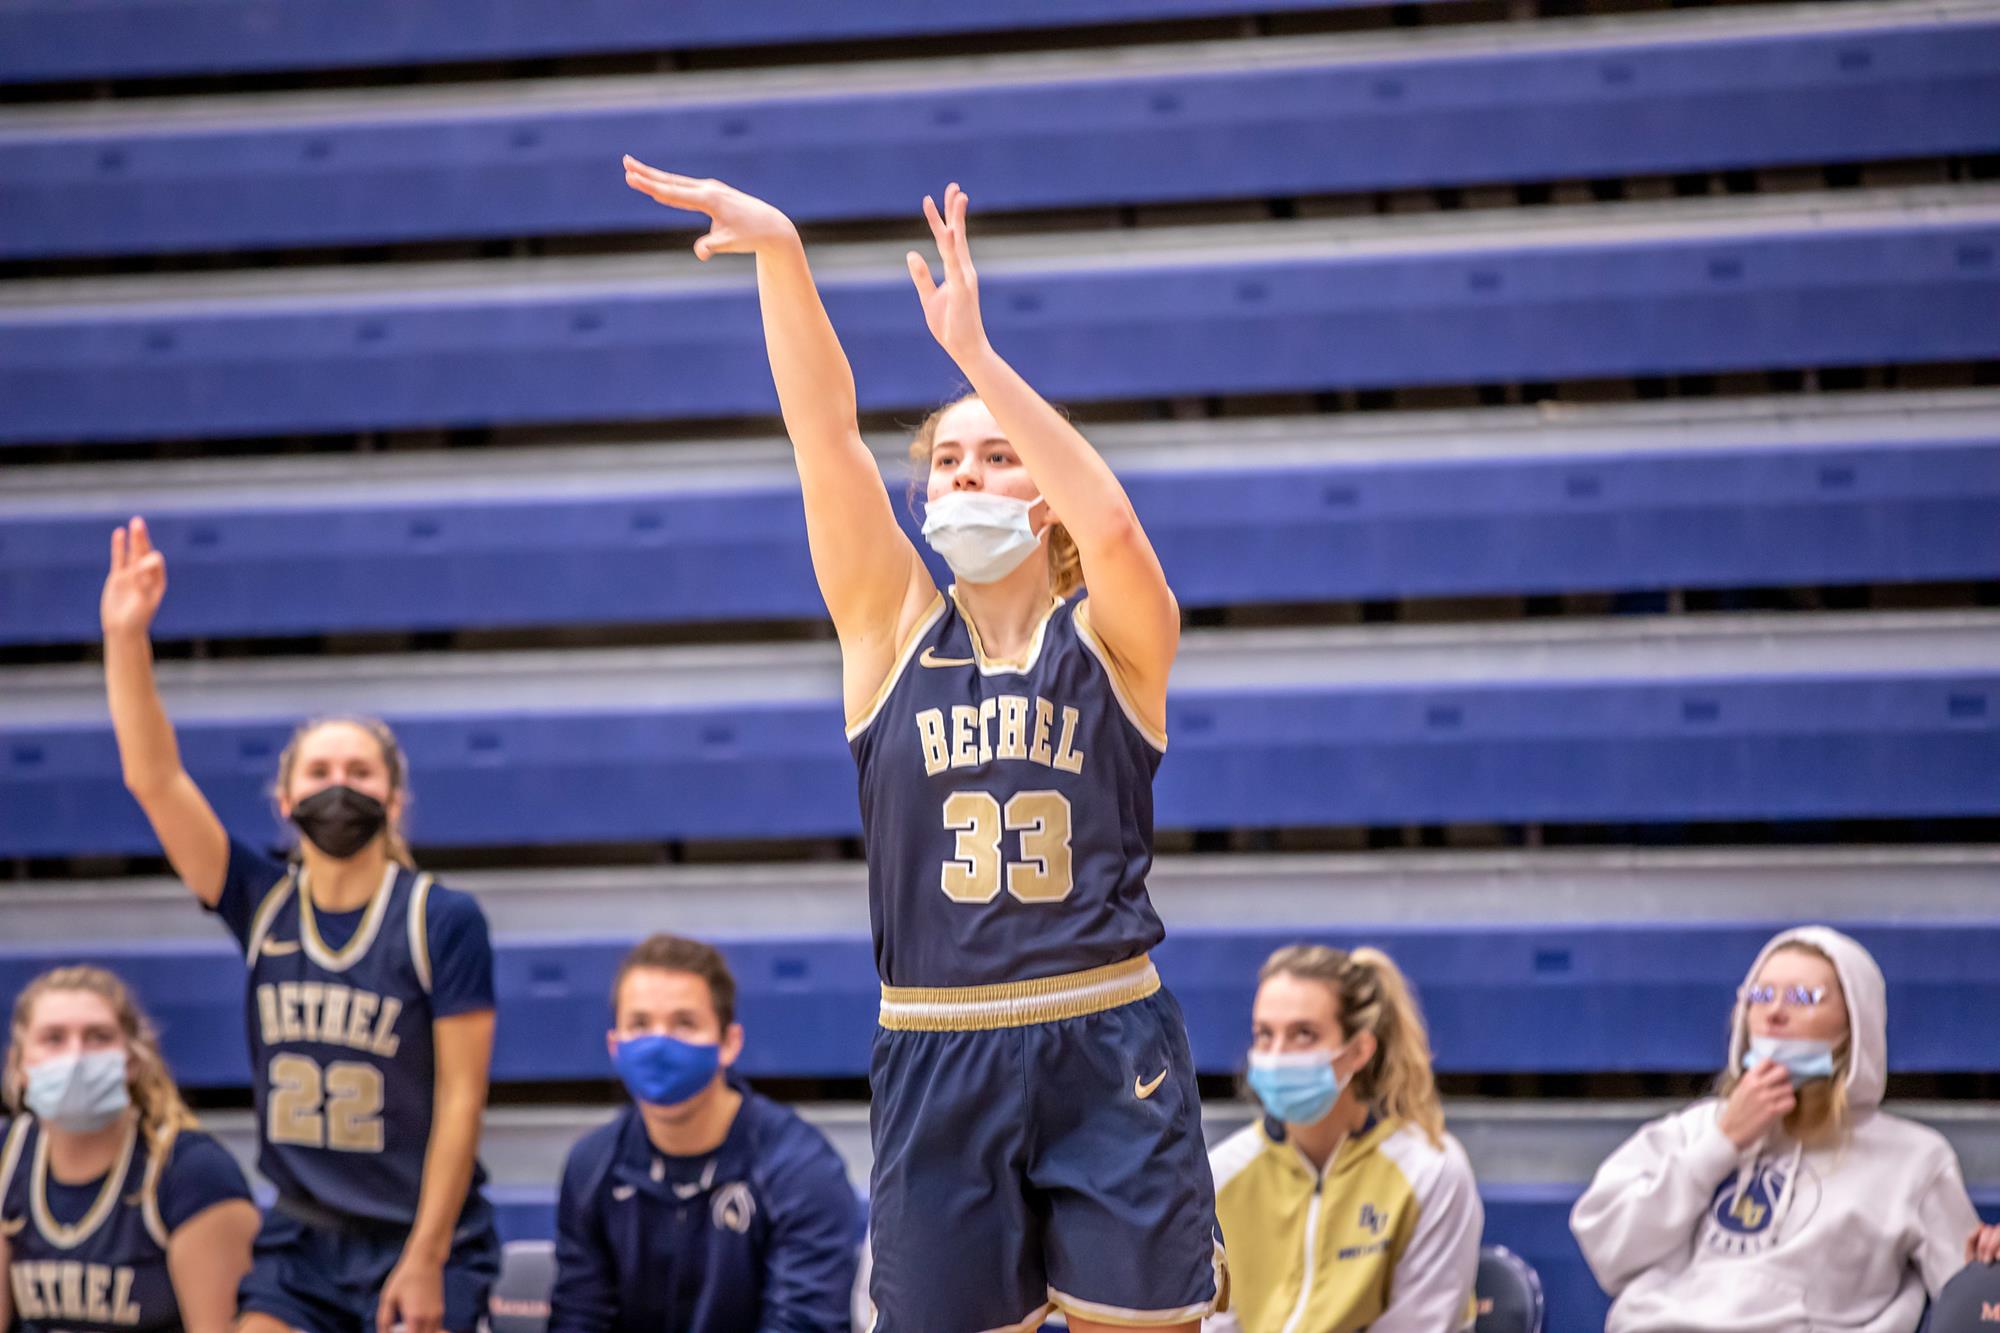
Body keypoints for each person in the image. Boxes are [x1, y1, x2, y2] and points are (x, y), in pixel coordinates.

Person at [620, 159, 1221, 1332]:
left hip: (1106, 1037)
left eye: (995, 456)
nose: (963, 473)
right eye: (947, 457)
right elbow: (822, 434)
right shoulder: (890, 629)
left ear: (1038, 493)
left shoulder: (1114, 640)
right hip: (935, 1043)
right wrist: (784, 258)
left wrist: (977, 361)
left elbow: (1109, 519)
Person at [98, 517, 500, 1333]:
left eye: (360, 771)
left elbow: (462, 1098)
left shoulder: (440, 917)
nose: (339, 784)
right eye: (319, 770)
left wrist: (424, 1256)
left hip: (424, 1233)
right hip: (303, 1237)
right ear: (284, 800)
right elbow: (153, 776)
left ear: (394, 798)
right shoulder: (260, 898)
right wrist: (125, 639)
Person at [1571, 925, 1984, 1330]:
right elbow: (1609, 1250)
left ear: (1854, 1025)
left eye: (1803, 997)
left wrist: (1991, 1259)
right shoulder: (1694, 1129)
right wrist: (1720, 1145)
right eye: (1760, 995)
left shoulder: (1914, 1159)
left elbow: (1976, 1299)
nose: (1774, 1012)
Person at [549, 934, 859, 1333]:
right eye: (640, 1024)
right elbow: (579, 1319)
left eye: (684, 1024)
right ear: (614, 1045)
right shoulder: (591, 1166)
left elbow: (803, 1324)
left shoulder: (801, 1170)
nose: (659, 1043)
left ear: (729, 1043)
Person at [1204, 945, 1481, 1333]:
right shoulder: (1221, 1175)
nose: (1278, 1055)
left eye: (1303, 1034)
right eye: (1265, 1035)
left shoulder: (1430, 1172)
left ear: (1358, 1051)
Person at [0, 965, 258, 1333]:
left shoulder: (192, 1173)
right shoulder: (9, 1158)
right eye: (54, 1038)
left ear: (133, 1061)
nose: (76, 1057)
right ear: (19, 1064)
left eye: (98, 1037)